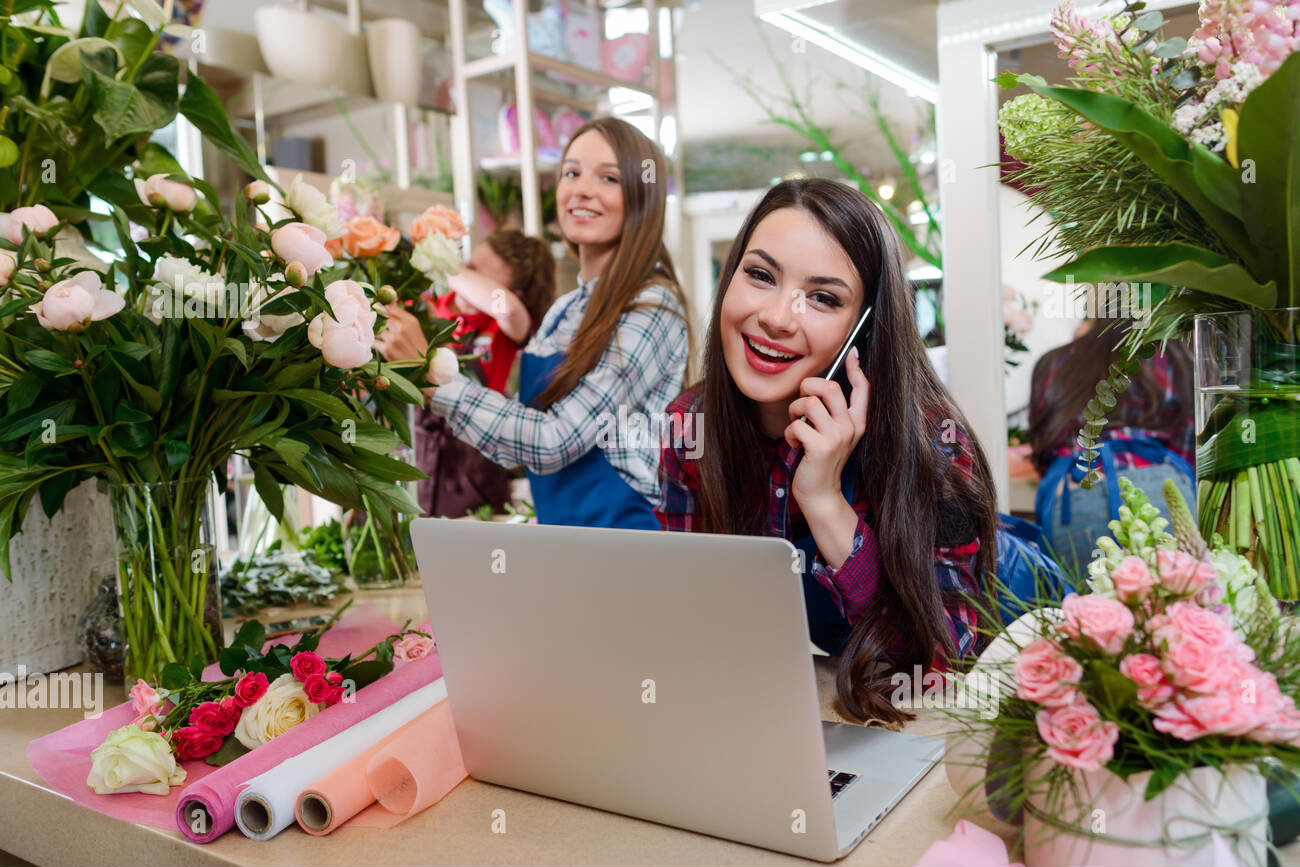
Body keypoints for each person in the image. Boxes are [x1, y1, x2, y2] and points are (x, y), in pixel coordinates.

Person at [657, 178, 998, 725]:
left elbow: (940, 665)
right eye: (761, 275)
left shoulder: (929, 440)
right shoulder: (690, 427)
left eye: (823, 298)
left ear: (863, 330)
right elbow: (688, 615)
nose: (777, 317)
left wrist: (823, 498)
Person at [379, 116, 691, 529]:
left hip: (624, 552)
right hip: (560, 545)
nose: (581, 189)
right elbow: (519, 445)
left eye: (609, 178)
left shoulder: (652, 308)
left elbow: (554, 441)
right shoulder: (565, 310)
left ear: (642, 198)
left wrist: (432, 375)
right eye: (571, 173)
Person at [377, 229, 556, 517]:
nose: (466, 280)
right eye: (470, 266)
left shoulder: (504, 325)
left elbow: (508, 306)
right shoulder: (425, 307)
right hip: (417, 457)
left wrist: (438, 262)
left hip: (474, 472)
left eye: (481, 278)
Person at [1027, 320, 1195, 578]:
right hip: (1165, 488)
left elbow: (1044, 447)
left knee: (1084, 612)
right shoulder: (1173, 356)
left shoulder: (1054, 361)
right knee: (1174, 609)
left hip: (1075, 496)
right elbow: (1190, 445)